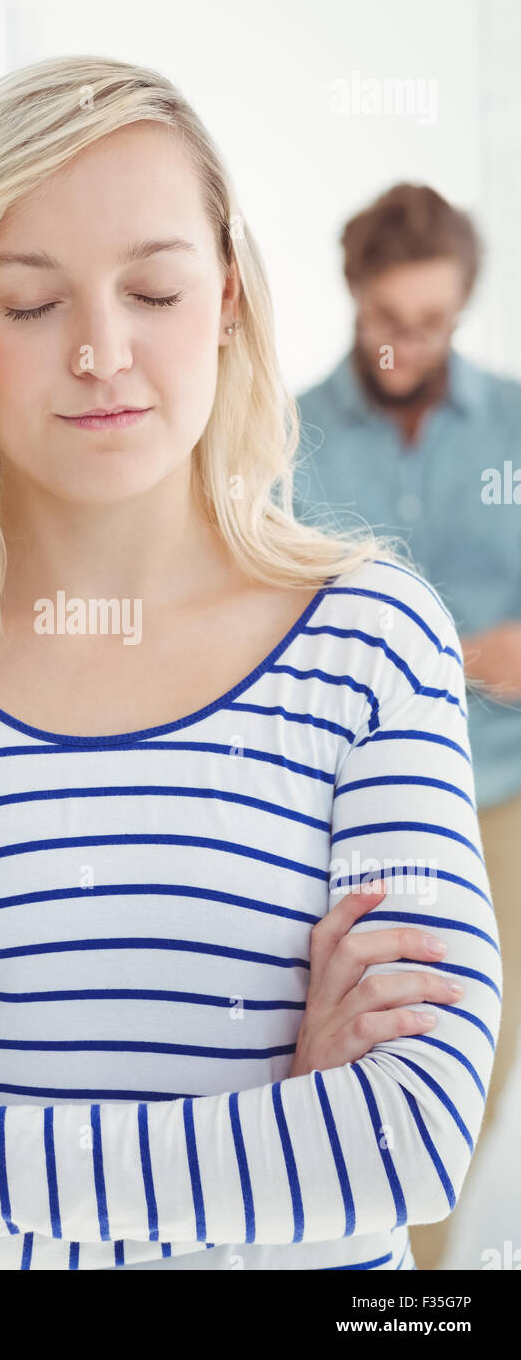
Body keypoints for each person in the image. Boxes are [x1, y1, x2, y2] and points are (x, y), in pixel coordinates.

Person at [0, 58, 500, 1271]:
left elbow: (405, 1146)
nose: (99, 352)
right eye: (31, 305)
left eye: (151, 289)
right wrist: (270, 1137)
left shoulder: (371, 638)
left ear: (229, 299)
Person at [293, 182, 521, 1270]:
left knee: (464, 1069)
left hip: (501, 797)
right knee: (365, 1058)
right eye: (387, 321)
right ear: (352, 296)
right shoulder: (281, 436)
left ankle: (412, 1279)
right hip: (337, 814)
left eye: (429, 323)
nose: (405, 345)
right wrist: (445, 657)